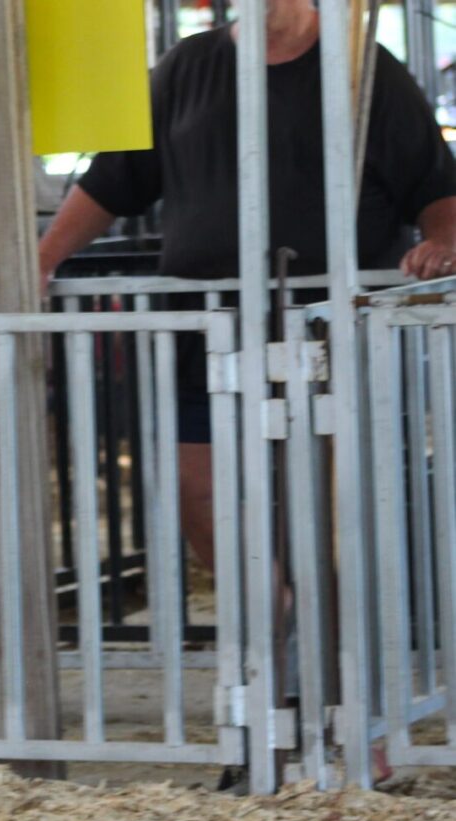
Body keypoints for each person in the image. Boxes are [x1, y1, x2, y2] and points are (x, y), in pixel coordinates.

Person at [38, 0, 456, 580]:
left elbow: (434, 183)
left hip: (329, 330)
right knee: (195, 490)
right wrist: (42, 258)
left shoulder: (365, 69)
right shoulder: (187, 66)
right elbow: (114, 179)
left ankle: (334, 638)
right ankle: (277, 622)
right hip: (208, 331)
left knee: (330, 497)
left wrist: (443, 243)